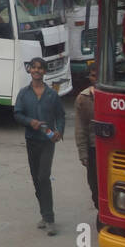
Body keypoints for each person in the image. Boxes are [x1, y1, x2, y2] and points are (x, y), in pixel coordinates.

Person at [13, 57, 67, 236]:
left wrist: (59, 131)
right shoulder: (24, 93)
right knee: (36, 179)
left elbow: (61, 115)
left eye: (40, 68)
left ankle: (50, 219)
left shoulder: (51, 94)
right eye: (34, 68)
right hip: (31, 140)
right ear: (30, 71)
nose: (36, 71)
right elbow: (17, 114)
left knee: (44, 177)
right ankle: (44, 214)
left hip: (47, 142)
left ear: (44, 71)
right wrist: (30, 122)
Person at [76, 63, 99, 218]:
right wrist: (83, 154)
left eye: (99, 75)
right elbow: (80, 128)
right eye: (93, 75)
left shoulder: (118, 94)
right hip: (93, 149)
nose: (96, 78)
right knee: (94, 185)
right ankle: (100, 210)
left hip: (111, 150)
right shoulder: (83, 98)